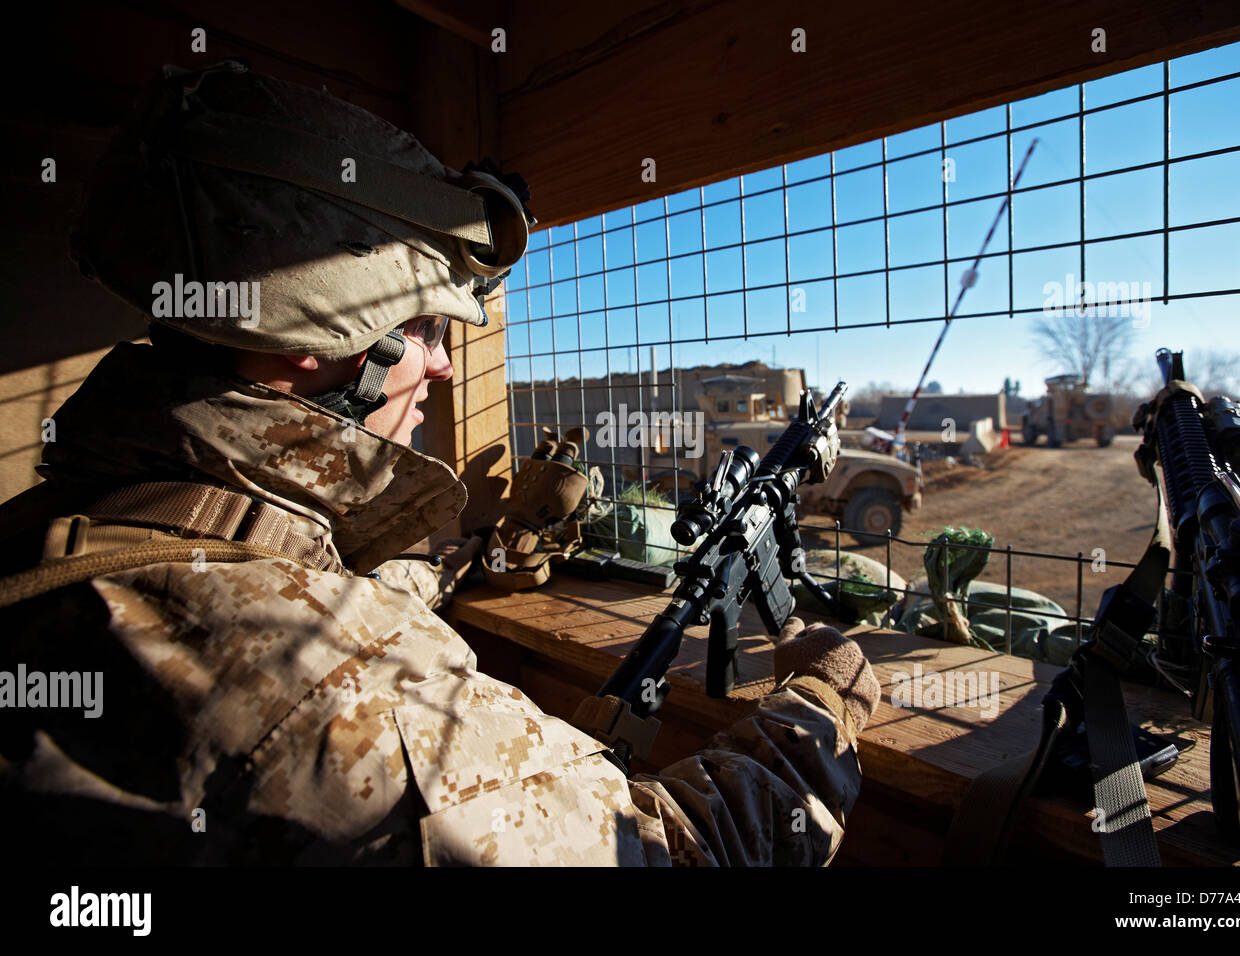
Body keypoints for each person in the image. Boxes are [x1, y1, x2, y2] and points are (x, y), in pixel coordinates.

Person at [0, 60, 880, 865]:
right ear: (319, 339)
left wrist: (476, 557)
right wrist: (822, 706)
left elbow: (278, 570)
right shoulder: (346, 701)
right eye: (425, 329)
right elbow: (682, 854)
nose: (445, 363)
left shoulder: (84, 520)